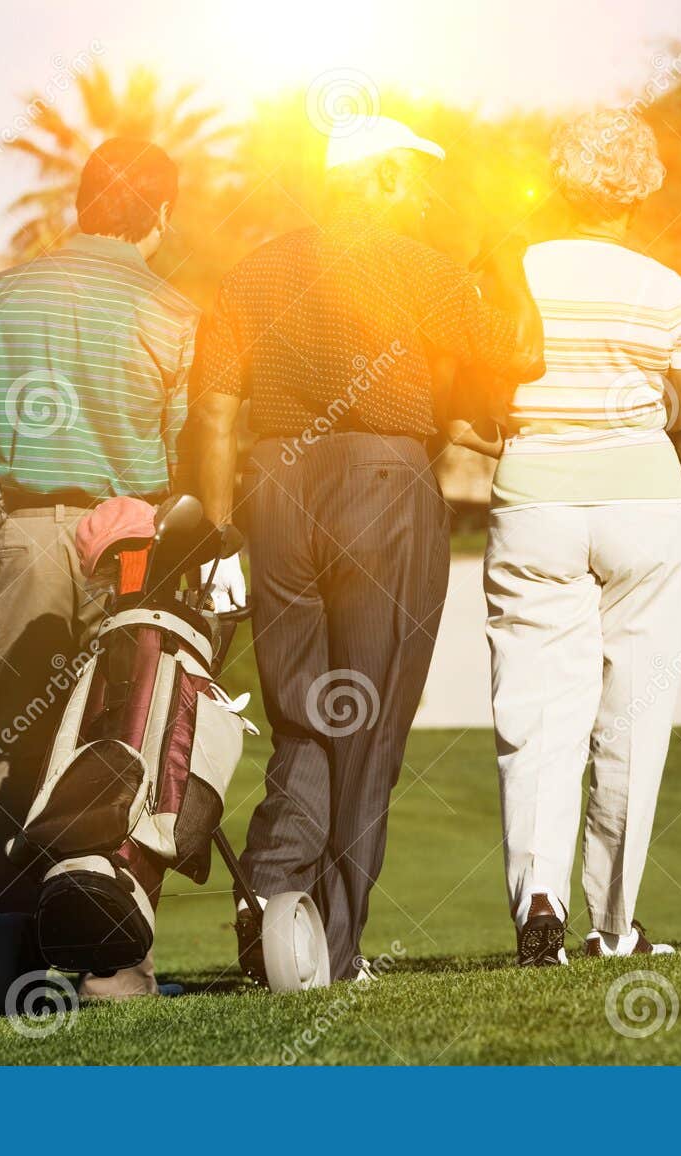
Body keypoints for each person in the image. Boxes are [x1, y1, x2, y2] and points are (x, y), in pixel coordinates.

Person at [186, 115, 545, 981]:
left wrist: (220, 530)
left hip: (275, 493)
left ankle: (271, 914)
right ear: (381, 177)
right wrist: (512, 262)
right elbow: (523, 353)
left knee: (304, 713)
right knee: (368, 722)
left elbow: (214, 414)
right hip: (381, 489)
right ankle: (336, 950)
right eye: (415, 178)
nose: (424, 196)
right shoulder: (418, 265)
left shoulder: (251, 270)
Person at [0, 138, 239, 1003]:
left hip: (28, 538)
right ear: (162, 213)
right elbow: (187, 460)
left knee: (14, 731)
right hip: (135, 545)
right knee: (128, 731)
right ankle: (115, 965)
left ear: (83, 203)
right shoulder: (174, 311)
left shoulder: (2, 293)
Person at [461, 110, 681, 966]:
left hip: (533, 503)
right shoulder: (669, 290)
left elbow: (469, 417)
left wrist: (532, 433)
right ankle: (613, 925)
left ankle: (538, 899)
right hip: (645, 507)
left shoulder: (510, 277)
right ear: (642, 189)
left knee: (537, 711)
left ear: (558, 179)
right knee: (632, 718)